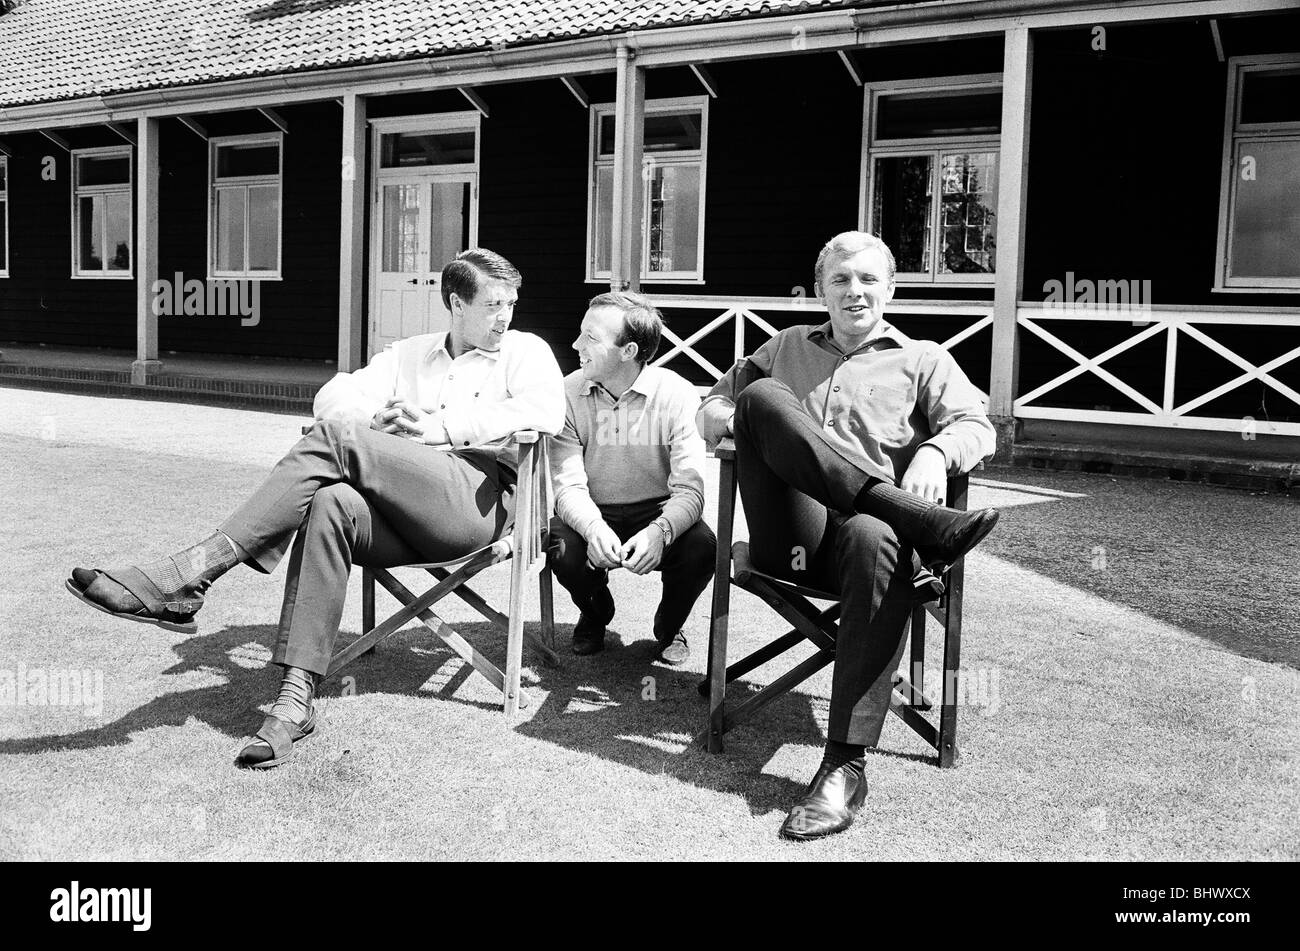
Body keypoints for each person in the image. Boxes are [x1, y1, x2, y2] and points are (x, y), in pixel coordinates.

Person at [65, 248, 565, 768]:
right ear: (456, 303)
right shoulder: (411, 354)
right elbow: (332, 396)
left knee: (336, 440)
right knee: (329, 501)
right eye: (492, 304)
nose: (505, 316)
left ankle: (187, 574)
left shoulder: (526, 352)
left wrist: (439, 427)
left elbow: (544, 410)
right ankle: (294, 699)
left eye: (511, 303)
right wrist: (379, 419)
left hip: (474, 502)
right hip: (397, 511)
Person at [696, 231, 999, 841]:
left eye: (867, 280)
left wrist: (938, 450)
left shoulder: (924, 359)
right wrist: (742, 420)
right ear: (820, 291)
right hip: (794, 536)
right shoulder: (782, 347)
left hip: (871, 552)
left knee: (871, 536)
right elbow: (712, 409)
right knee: (760, 397)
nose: (854, 292)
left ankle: (844, 765)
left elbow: (979, 428)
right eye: (840, 280)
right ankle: (915, 519)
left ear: (890, 289)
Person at [547, 292, 715, 664]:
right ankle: (594, 614)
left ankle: (670, 627)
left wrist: (661, 531)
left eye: (590, 338)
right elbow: (567, 485)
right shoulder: (565, 393)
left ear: (628, 351)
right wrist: (592, 528)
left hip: (655, 508)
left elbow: (691, 489)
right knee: (560, 546)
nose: (576, 345)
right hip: (592, 508)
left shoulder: (678, 394)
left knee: (702, 546)